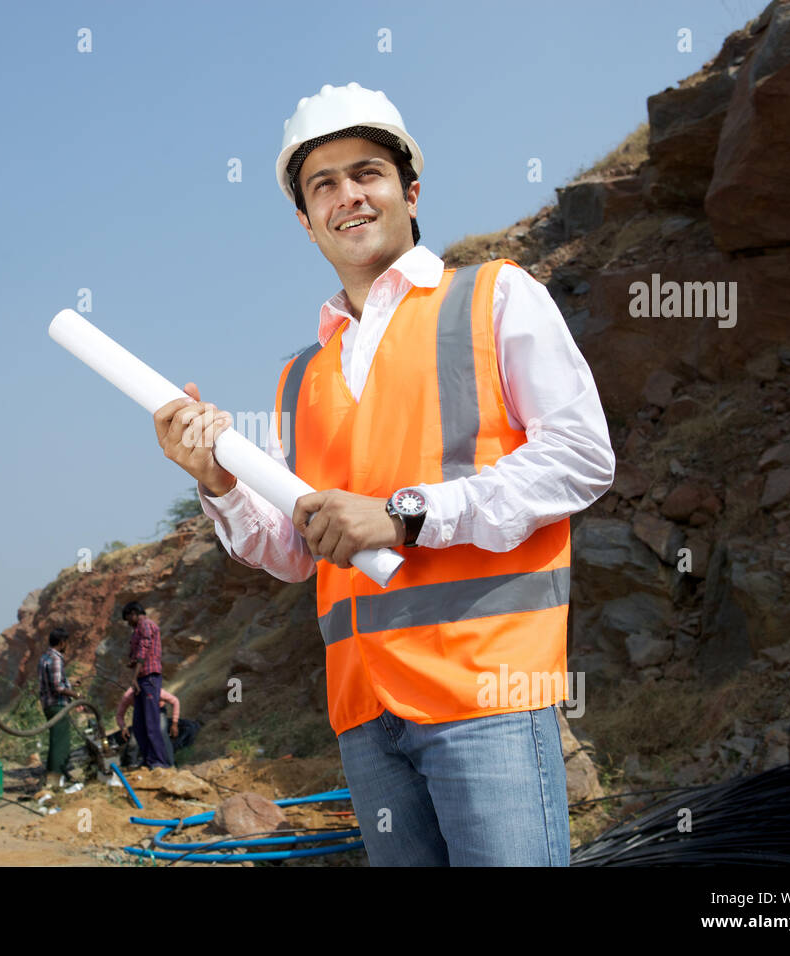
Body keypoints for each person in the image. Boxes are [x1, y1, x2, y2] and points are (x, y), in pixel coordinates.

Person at [152, 83, 615, 866]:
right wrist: (221, 483)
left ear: (410, 189)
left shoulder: (497, 297)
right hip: (366, 716)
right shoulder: (300, 376)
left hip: (485, 696)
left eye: (365, 172)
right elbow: (297, 551)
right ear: (305, 219)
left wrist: (403, 515)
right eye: (322, 185)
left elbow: (580, 456)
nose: (347, 196)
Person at [122, 601, 169, 769]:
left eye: (128, 618)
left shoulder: (146, 625)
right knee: (139, 724)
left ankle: (160, 762)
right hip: (142, 679)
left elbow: (144, 649)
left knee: (151, 723)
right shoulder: (138, 629)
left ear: (134, 613)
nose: (128, 622)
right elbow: (139, 654)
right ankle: (149, 760)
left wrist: (134, 677)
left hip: (148, 679)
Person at [36, 627, 77, 788]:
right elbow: (57, 687)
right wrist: (75, 695)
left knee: (56, 741)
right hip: (57, 705)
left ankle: (56, 776)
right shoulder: (56, 658)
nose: (67, 645)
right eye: (66, 642)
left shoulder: (44, 657)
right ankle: (55, 781)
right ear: (62, 643)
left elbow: (52, 682)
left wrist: (71, 684)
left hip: (47, 705)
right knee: (61, 743)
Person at [115, 684, 183, 766]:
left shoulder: (156, 691)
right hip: (141, 713)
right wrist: (123, 727)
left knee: (161, 732)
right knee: (133, 741)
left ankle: (170, 764)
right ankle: (131, 765)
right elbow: (119, 715)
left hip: (158, 710)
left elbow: (175, 701)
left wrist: (174, 723)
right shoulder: (128, 696)